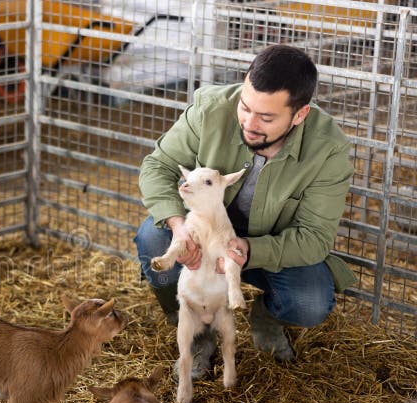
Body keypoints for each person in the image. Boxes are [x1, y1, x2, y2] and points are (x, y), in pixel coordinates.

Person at [134, 44, 356, 379]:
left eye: (266, 117)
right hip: (202, 236)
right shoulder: (211, 108)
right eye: (245, 107)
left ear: (300, 115)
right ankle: (199, 334)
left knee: (310, 302)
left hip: (268, 250)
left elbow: (315, 238)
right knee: (153, 238)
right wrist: (179, 227)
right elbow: (158, 166)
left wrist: (248, 250)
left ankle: (266, 318)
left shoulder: (329, 150)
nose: (249, 124)